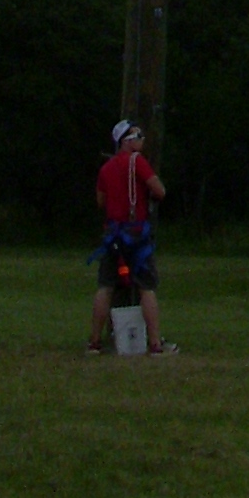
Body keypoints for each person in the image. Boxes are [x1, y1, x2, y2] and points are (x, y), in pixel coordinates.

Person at [88, 119, 174, 356]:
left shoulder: (106, 169)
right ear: (128, 140)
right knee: (147, 286)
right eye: (139, 136)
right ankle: (155, 343)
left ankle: (94, 342)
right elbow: (160, 191)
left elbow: (100, 202)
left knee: (105, 285)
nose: (142, 141)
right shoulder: (138, 163)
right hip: (136, 233)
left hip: (112, 234)